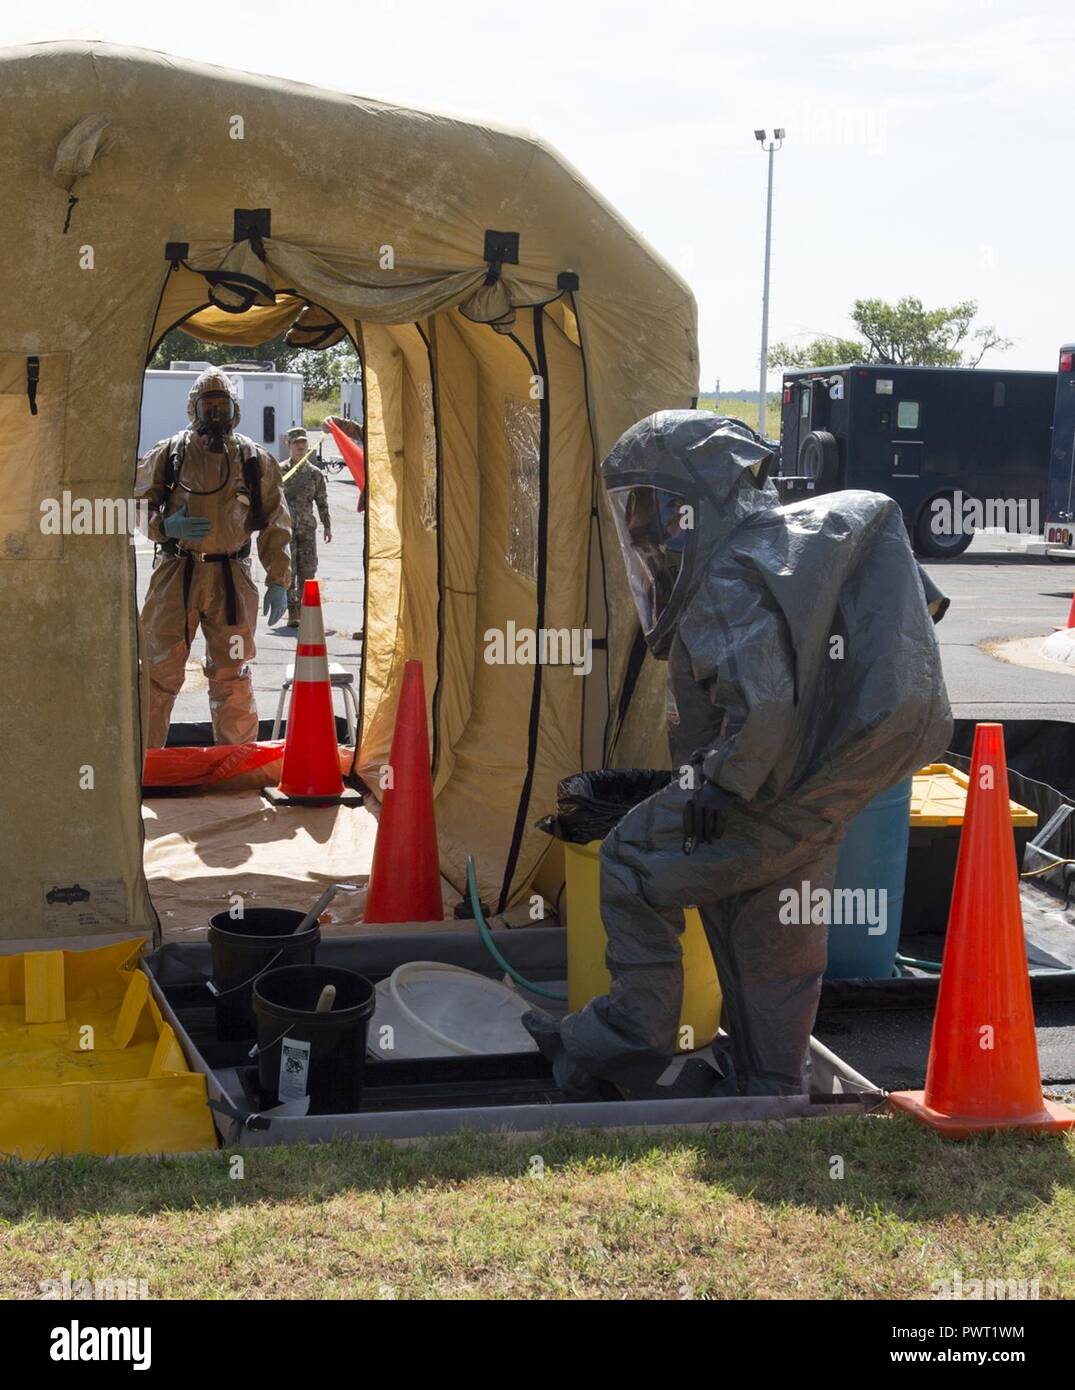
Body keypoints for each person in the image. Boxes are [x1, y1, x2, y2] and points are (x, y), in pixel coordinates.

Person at [524, 411, 953, 1100]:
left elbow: (763, 707)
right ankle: (769, 1087)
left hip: (762, 788)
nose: (638, 528)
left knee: (632, 862)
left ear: (687, 503)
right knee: (770, 935)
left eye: (646, 505)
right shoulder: (780, 548)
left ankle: (626, 1041)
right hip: (814, 791)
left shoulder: (725, 577)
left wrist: (715, 788)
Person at [135, 367, 291, 746]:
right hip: (176, 576)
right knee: (157, 672)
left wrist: (278, 581)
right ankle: (142, 764)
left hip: (231, 580)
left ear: (234, 410)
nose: (216, 415)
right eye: (209, 407)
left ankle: (234, 764)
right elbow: (136, 505)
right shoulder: (169, 455)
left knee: (232, 674)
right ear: (195, 410)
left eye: (222, 406)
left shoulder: (255, 460)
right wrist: (165, 527)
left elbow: (276, 522)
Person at [280, 426, 332, 626]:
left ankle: (304, 608)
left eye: (303, 443)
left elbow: (322, 501)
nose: (300, 446)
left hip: (307, 529)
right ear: (289, 445)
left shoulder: (315, 474)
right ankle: (292, 611)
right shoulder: (279, 471)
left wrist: (327, 526)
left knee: (308, 569)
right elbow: (272, 499)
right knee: (289, 570)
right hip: (286, 528)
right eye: (296, 443)